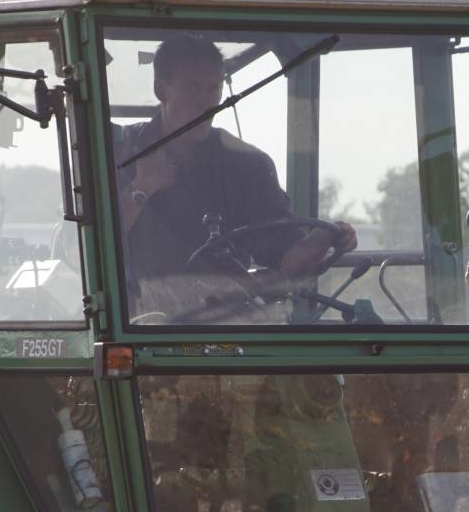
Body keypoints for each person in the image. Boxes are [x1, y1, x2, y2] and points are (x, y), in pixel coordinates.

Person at [116, 36, 355, 318]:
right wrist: (142, 187)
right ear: (161, 89)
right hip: (136, 328)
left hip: (227, 333)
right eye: (192, 88)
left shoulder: (248, 166)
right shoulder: (118, 150)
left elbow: (288, 257)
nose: (205, 104)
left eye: (213, 89)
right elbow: (83, 250)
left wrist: (323, 238)